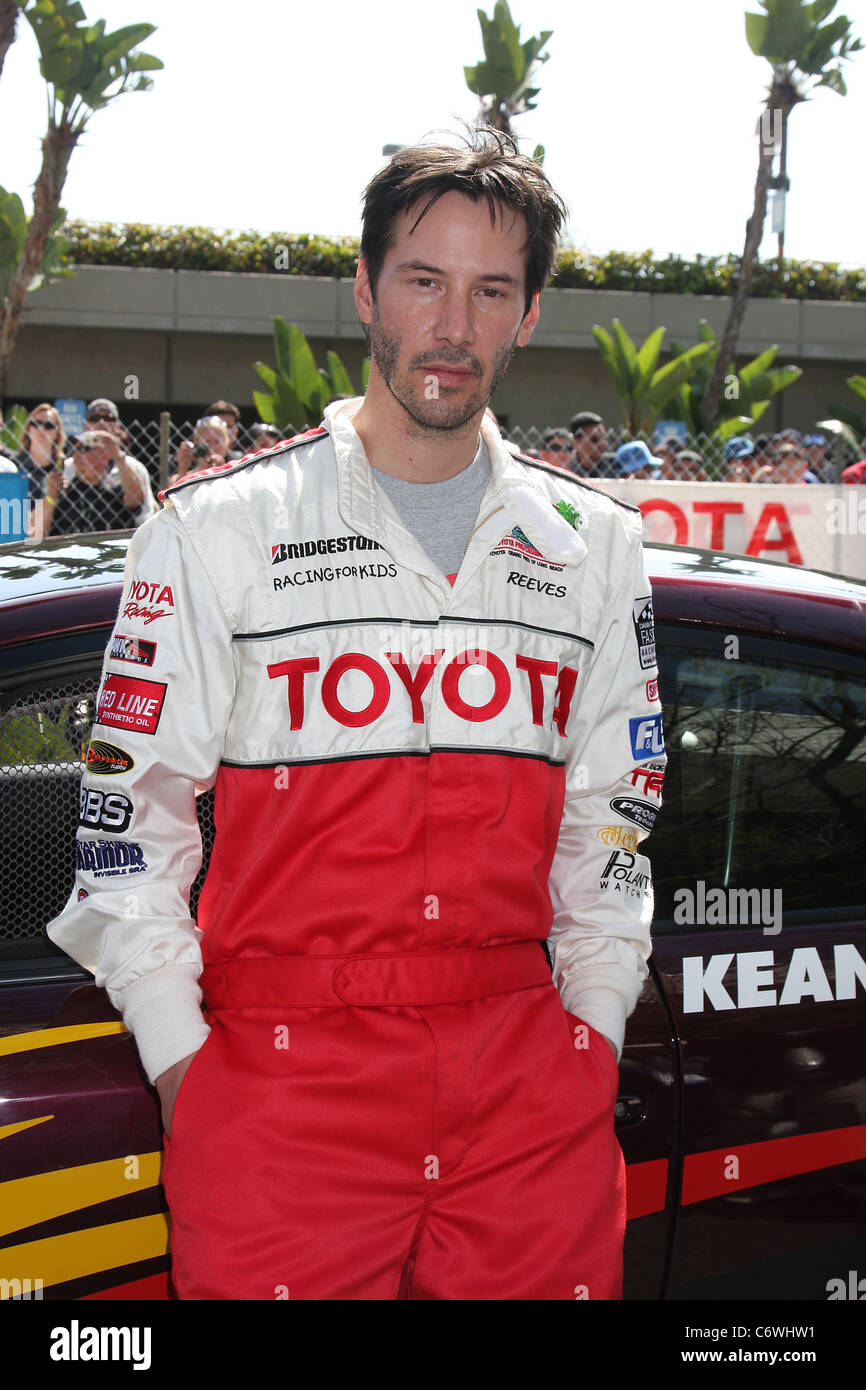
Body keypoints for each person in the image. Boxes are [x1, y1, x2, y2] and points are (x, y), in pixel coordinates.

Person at [48, 130, 665, 1302]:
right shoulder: (210, 527)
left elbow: (613, 822)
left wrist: (589, 1038)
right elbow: (128, 817)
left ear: (528, 313)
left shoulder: (598, 545)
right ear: (365, 290)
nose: (452, 323)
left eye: (490, 291)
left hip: (525, 1086)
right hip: (283, 1088)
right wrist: (189, 1070)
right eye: (422, 281)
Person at [43, 430, 145, 535]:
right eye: (74, 449)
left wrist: (118, 456)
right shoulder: (62, 491)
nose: (76, 455)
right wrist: (50, 497)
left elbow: (136, 499)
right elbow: (36, 533)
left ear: (104, 457)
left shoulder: (115, 490)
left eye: (84, 449)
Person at [82, 399, 157, 527]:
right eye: (94, 418)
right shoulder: (72, 464)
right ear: (86, 426)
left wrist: (118, 458)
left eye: (107, 418)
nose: (101, 422)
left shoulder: (134, 466)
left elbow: (146, 515)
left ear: (117, 426)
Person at [14, 403, 66, 504]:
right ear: (29, 429)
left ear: (57, 433)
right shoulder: (14, 465)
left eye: (48, 425)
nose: (41, 429)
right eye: (36, 423)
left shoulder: (63, 466)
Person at [169, 415, 231, 486]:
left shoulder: (236, 475)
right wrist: (182, 469)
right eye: (206, 442)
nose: (211, 447)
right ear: (196, 442)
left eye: (217, 442)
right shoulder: (183, 477)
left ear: (227, 445)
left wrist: (221, 471)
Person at [570, 410, 614, 477]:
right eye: (594, 440)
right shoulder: (568, 468)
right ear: (576, 442)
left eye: (604, 438)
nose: (602, 444)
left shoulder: (615, 467)